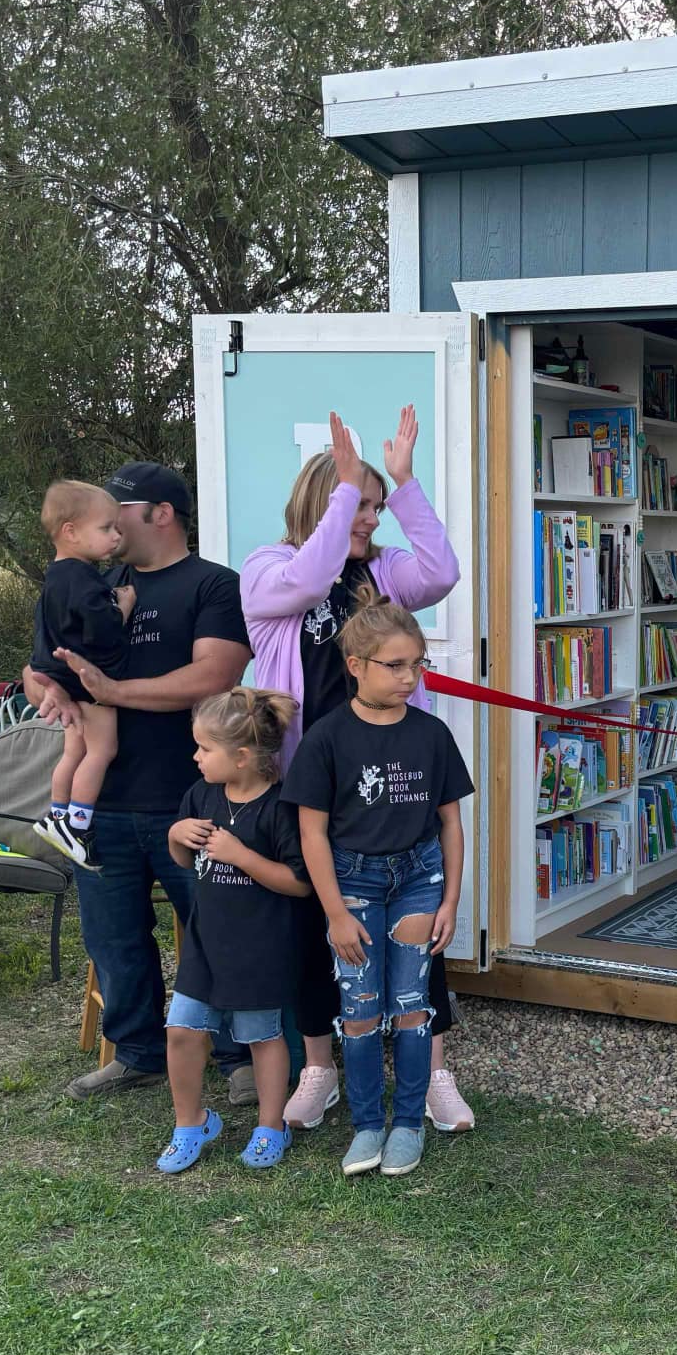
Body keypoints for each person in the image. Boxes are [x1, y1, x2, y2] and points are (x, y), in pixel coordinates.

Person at [240, 408, 476, 1134]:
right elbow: (310, 580)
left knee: (414, 918)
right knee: (316, 924)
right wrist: (344, 499)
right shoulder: (268, 568)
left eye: (375, 506)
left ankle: (433, 1070)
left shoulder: (385, 574)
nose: (372, 519)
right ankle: (320, 1069)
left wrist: (404, 483)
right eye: (362, 503)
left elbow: (441, 571)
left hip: (394, 777)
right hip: (311, 783)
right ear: (326, 499)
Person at [24, 462, 257, 1104]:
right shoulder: (86, 580)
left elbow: (215, 675)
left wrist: (113, 691)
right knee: (113, 936)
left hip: (194, 796)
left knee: (219, 929)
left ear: (160, 513)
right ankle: (138, 1052)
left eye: (117, 509)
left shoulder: (214, 585)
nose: (107, 520)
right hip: (102, 805)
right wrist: (48, 691)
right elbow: (37, 663)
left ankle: (241, 1056)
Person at [282, 586, 472, 1179]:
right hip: (352, 884)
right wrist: (335, 913)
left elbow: (450, 822)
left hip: (417, 878)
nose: (409, 677)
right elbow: (312, 835)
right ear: (356, 666)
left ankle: (408, 1124)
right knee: (360, 1008)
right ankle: (367, 1124)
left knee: (413, 1006)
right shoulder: (326, 739)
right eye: (395, 666)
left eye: (417, 664)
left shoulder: (431, 734)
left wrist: (450, 899)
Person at [158, 689, 311, 1173]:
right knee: (182, 1029)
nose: (195, 756)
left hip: (260, 948)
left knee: (262, 1036)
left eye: (205, 748)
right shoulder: (200, 795)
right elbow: (186, 859)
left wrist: (241, 855)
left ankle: (271, 1126)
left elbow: (300, 883)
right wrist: (174, 836)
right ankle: (192, 1123)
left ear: (242, 757)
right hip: (206, 944)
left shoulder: (281, 808)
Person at [29, 481, 133, 870]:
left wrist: (48, 678)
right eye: (106, 528)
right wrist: (123, 606)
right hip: (90, 682)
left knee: (74, 750)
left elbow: (45, 631)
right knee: (102, 750)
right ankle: (78, 824)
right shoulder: (84, 578)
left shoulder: (54, 578)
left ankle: (57, 815)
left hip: (62, 678)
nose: (116, 537)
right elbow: (102, 628)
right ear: (70, 531)